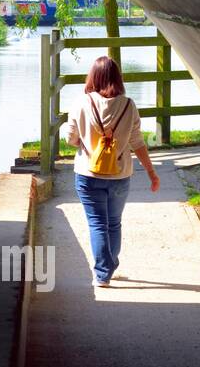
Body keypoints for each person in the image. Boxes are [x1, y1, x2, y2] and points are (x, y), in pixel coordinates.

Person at [63, 55, 160, 287]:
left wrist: (86, 140)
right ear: (117, 77)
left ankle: (102, 274)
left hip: (88, 174)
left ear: (93, 77)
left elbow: (70, 139)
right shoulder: (128, 104)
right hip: (120, 174)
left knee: (97, 223)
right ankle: (108, 267)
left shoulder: (81, 102)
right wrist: (151, 174)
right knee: (114, 222)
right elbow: (138, 143)